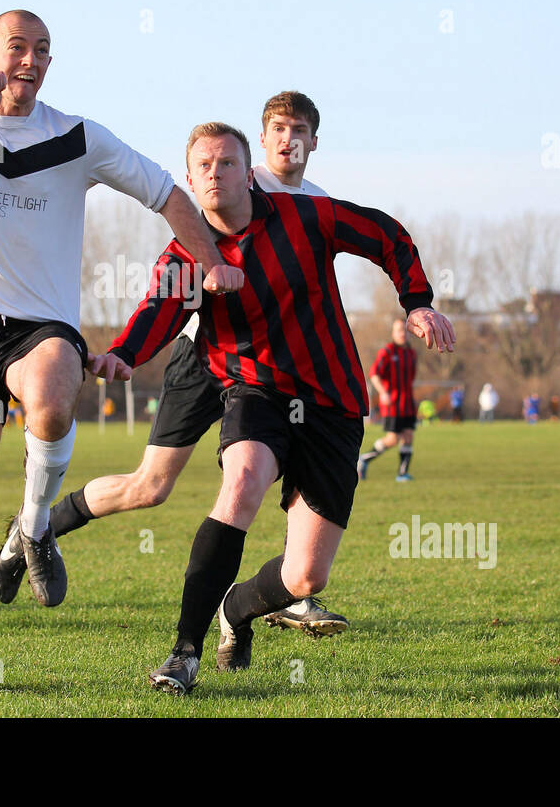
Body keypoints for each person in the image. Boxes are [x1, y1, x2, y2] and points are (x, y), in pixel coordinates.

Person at [0, 9, 240, 695]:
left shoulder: (78, 136)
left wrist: (211, 263)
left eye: (42, 51)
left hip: (41, 325)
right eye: (16, 48)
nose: (29, 60)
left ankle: (34, 529)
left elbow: (169, 195)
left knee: (55, 396)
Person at [88, 122, 453, 695]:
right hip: (255, 391)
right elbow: (159, 308)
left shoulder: (305, 216)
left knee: (306, 574)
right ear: (189, 179)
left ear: (247, 169)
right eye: (203, 166)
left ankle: (236, 610)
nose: (215, 173)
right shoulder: (187, 253)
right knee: (242, 482)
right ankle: (184, 653)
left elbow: (388, 234)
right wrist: (123, 354)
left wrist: (418, 303)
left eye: (227, 163)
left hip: (333, 401)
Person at [43, 91, 350, 637]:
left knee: (274, 458)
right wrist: (128, 350)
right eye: (278, 128)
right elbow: (174, 274)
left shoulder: (318, 205)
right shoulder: (232, 180)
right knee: (151, 486)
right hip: (200, 356)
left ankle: (289, 590)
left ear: (314, 142)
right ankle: (41, 523)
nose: (288, 139)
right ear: (262, 139)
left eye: (299, 130)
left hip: (265, 367)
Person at [357, 319, 419, 481]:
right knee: (392, 439)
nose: (402, 333)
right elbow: (374, 374)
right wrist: (383, 392)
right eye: (399, 330)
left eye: (404, 330)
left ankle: (402, 473)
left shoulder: (411, 353)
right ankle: (364, 459)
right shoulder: (388, 352)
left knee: (408, 436)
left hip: (408, 404)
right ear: (393, 333)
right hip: (393, 404)